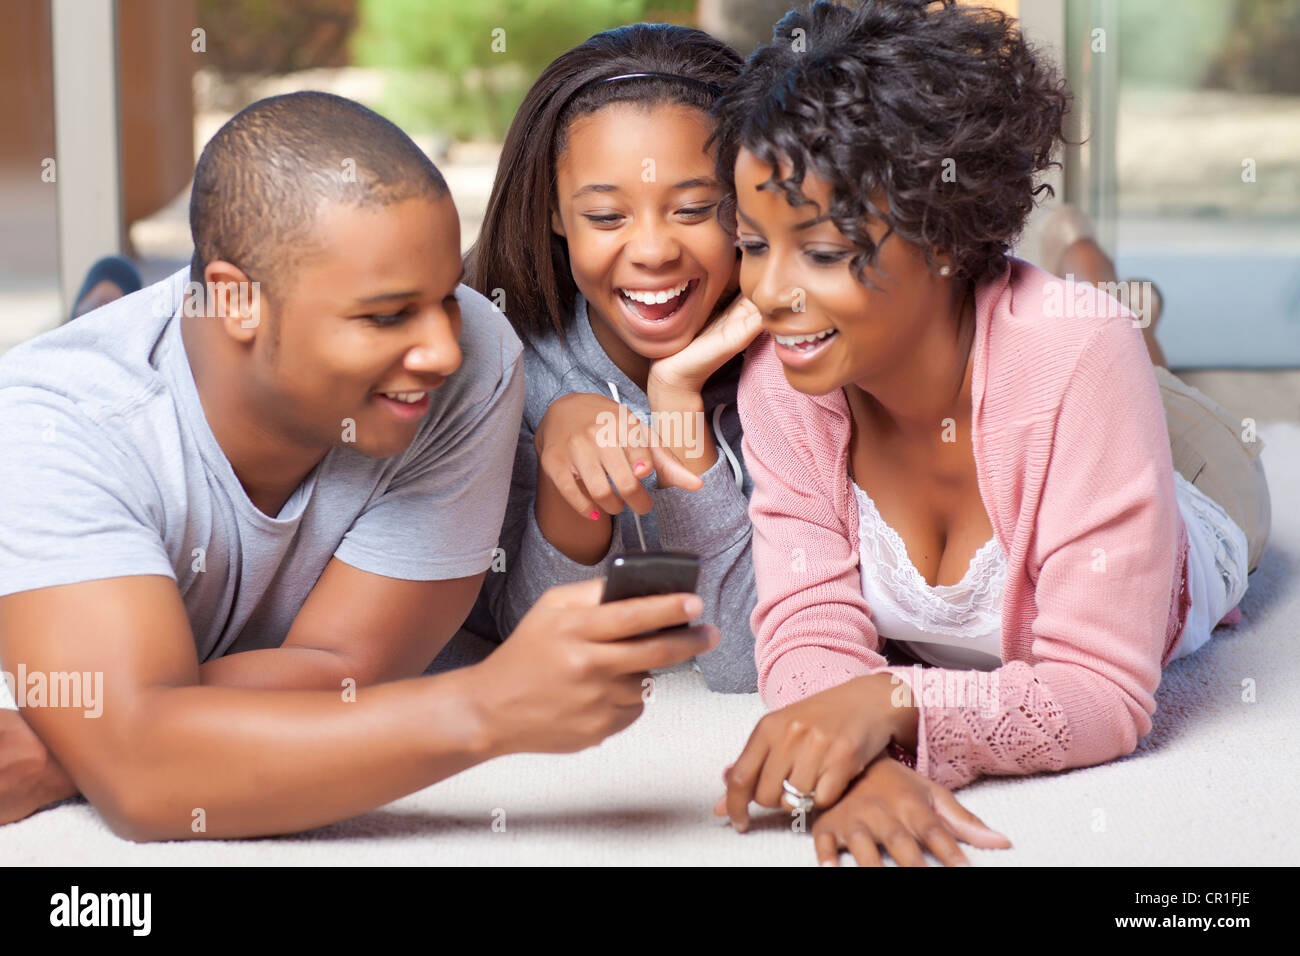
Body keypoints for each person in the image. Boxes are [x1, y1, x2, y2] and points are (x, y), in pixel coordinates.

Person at [0, 91, 717, 838]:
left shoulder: (472, 354)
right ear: (235, 299)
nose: (442, 350)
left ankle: (106, 292)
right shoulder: (55, 424)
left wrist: (104, 737)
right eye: (386, 316)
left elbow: (342, 670)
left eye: (446, 295)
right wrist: (487, 707)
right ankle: (104, 299)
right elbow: (146, 787)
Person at [708, 0, 1270, 866]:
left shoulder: (1081, 355)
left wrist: (891, 703)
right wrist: (858, 768)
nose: (770, 293)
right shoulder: (784, 376)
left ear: (943, 235)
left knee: (1130, 353)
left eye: (820, 252)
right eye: (752, 244)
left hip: (1187, 465)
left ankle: (1095, 273)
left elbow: (1103, 694)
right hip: (1036, 356)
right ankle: (1092, 273)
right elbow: (806, 627)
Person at [464, 24, 762, 693]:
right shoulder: (501, 365)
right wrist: (567, 487)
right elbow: (533, 648)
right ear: (554, 213)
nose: (654, 251)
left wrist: (678, 408)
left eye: (694, 209)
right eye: (606, 217)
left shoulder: (794, 372)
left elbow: (743, 663)